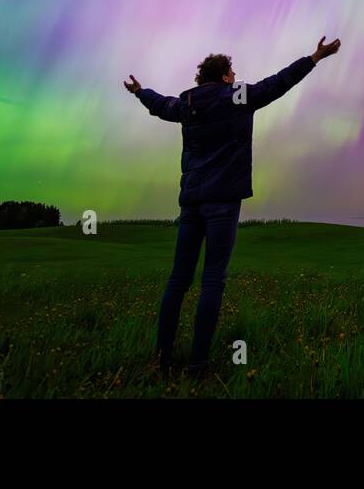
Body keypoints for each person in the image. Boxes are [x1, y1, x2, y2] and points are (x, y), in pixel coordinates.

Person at [124, 36, 341, 377]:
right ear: (226, 76)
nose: (236, 75)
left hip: (192, 202)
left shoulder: (187, 102)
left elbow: (160, 105)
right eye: (233, 71)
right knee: (212, 279)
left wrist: (139, 92)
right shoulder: (236, 96)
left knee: (179, 279)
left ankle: (161, 361)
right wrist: (313, 58)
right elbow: (278, 83)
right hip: (223, 201)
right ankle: (197, 365)